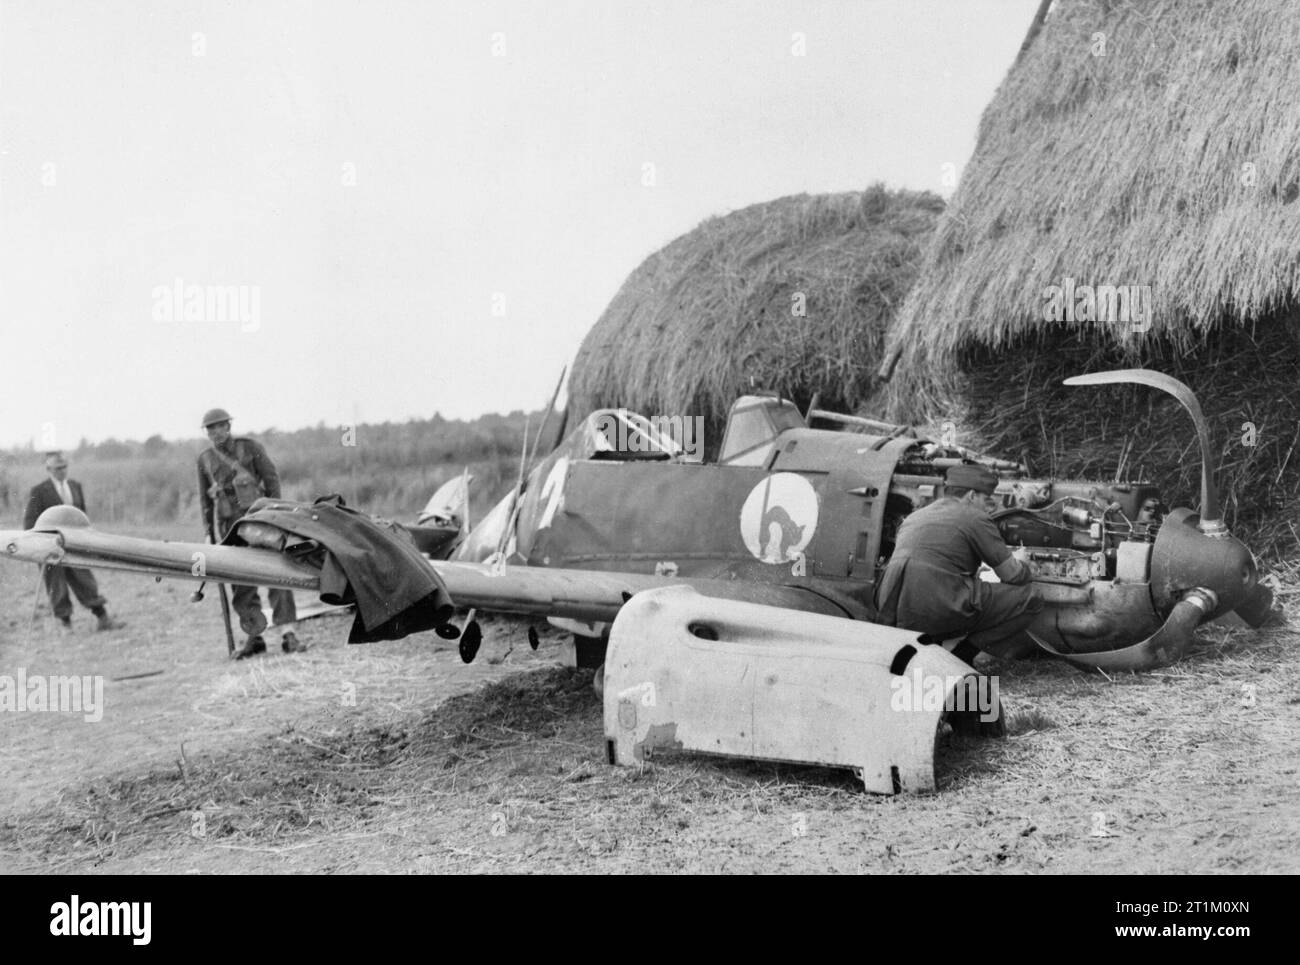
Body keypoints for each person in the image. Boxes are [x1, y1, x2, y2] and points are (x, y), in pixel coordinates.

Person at [874, 463, 1042, 662]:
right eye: (986, 500)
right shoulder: (976, 517)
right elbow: (1012, 575)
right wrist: (1022, 563)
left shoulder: (915, 516)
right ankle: (963, 656)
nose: (989, 507)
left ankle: (929, 652)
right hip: (937, 604)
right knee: (1032, 598)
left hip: (891, 605)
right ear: (971, 495)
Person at [196, 408, 305, 659]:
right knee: (241, 581)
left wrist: (277, 515)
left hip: (260, 522)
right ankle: (255, 637)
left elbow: (272, 479)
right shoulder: (204, 459)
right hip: (229, 528)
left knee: (277, 575)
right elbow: (205, 500)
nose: (216, 432)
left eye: (220, 427)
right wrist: (208, 532)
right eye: (210, 429)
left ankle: (289, 634)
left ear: (228, 427)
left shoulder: (250, 447)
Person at [23, 452, 126, 632]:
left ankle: (103, 619)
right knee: (57, 586)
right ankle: (66, 624)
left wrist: (88, 538)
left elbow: (82, 517)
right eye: (57, 468)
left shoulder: (75, 486)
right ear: (49, 469)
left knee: (86, 581)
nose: (62, 471)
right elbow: (30, 522)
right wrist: (39, 544)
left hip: (76, 545)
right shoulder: (38, 491)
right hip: (51, 548)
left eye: (64, 467)